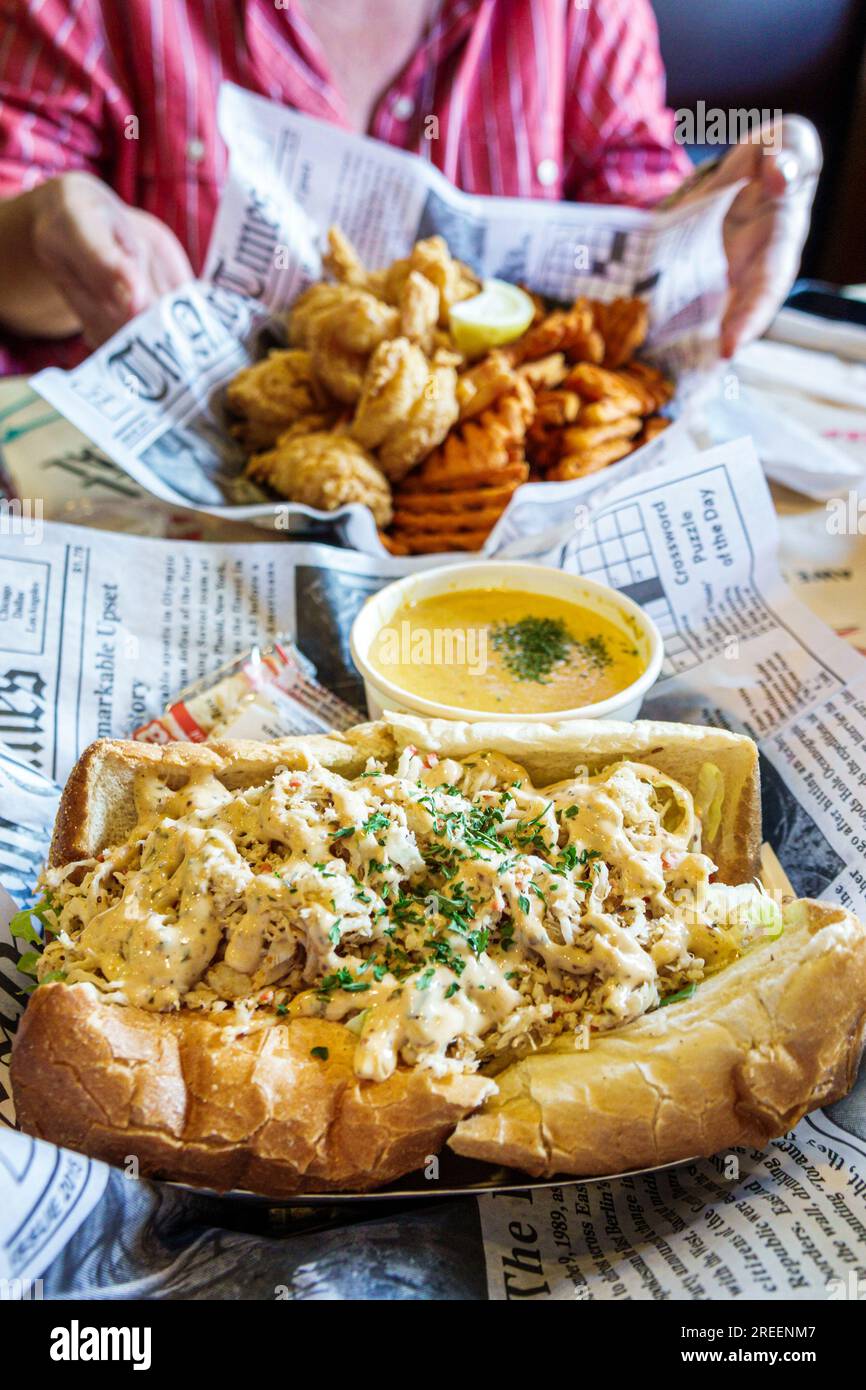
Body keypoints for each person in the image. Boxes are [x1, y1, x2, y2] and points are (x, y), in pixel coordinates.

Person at [0, 0, 820, 371]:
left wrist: (726, 211)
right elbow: (14, 272)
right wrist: (45, 226)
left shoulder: (580, 11)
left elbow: (637, 217)